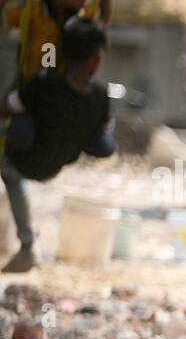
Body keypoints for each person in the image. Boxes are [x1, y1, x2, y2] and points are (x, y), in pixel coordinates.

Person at [0, 0, 113, 272]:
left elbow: (103, 23)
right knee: (14, 147)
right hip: (33, 96)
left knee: (16, 156)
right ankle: (26, 243)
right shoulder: (33, 15)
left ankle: (26, 241)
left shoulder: (82, 20)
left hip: (56, 102)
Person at [0, 17, 116, 213]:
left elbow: (6, 108)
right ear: (97, 60)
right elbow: (103, 136)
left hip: (22, 161)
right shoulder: (100, 94)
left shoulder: (45, 83)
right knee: (104, 140)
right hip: (56, 165)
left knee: (17, 120)